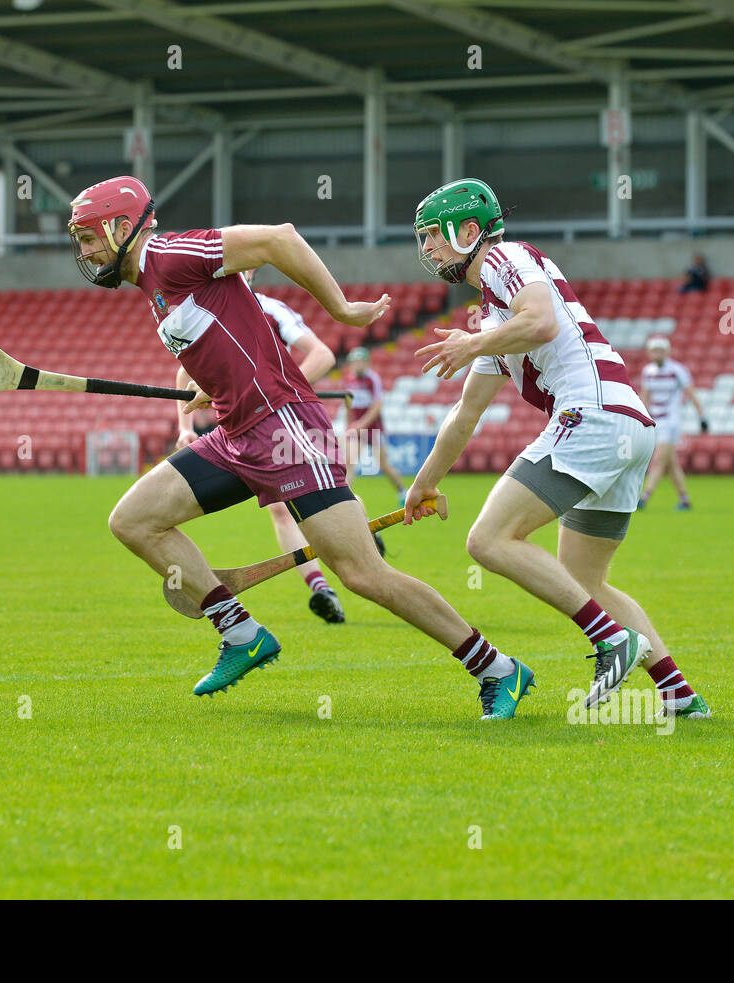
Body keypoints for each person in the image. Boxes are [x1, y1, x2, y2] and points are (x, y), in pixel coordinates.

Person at [68, 176, 532, 719]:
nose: (85, 250)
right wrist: (215, 384)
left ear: (124, 227)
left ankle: (498, 668)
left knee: (361, 574)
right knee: (134, 519)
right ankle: (240, 631)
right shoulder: (153, 284)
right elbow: (231, 337)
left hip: (287, 429)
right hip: (237, 433)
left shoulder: (170, 253)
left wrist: (339, 309)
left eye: (89, 236)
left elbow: (280, 239)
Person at [404, 178, 710, 718]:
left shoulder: (505, 258)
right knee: (586, 580)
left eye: (432, 235)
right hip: (627, 426)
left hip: (591, 414)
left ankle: (611, 641)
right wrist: (425, 482)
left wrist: (471, 341)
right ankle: (679, 694)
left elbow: (542, 323)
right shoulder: (496, 316)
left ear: (468, 231)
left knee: (488, 540)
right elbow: (464, 414)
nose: (426, 248)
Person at [175, 270, 347, 624]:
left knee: (317, 506)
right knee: (282, 510)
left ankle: (356, 524)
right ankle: (319, 587)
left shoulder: (271, 309)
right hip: (247, 429)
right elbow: (185, 375)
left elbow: (322, 355)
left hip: (290, 422)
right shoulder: (202, 314)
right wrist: (184, 426)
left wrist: (268, 391)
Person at [637, 336, 707, 511]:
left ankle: (644, 497)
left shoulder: (677, 370)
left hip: (671, 421)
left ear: (667, 351)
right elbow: (645, 396)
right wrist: (640, 416)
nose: (657, 353)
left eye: (660, 350)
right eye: (654, 350)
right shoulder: (648, 371)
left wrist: (702, 417)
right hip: (656, 420)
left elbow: (691, 393)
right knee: (670, 463)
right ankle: (684, 499)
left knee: (659, 459)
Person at [341, 347, 407, 515]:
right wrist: (348, 425)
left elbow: (377, 406)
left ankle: (402, 491)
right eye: (355, 362)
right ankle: (345, 501)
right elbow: (348, 405)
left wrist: (361, 424)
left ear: (367, 363)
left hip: (374, 429)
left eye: (361, 361)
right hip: (357, 429)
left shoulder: (373, 379)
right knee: (350, 463)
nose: (358, 365)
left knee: (384, 466)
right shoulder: (349, 380)